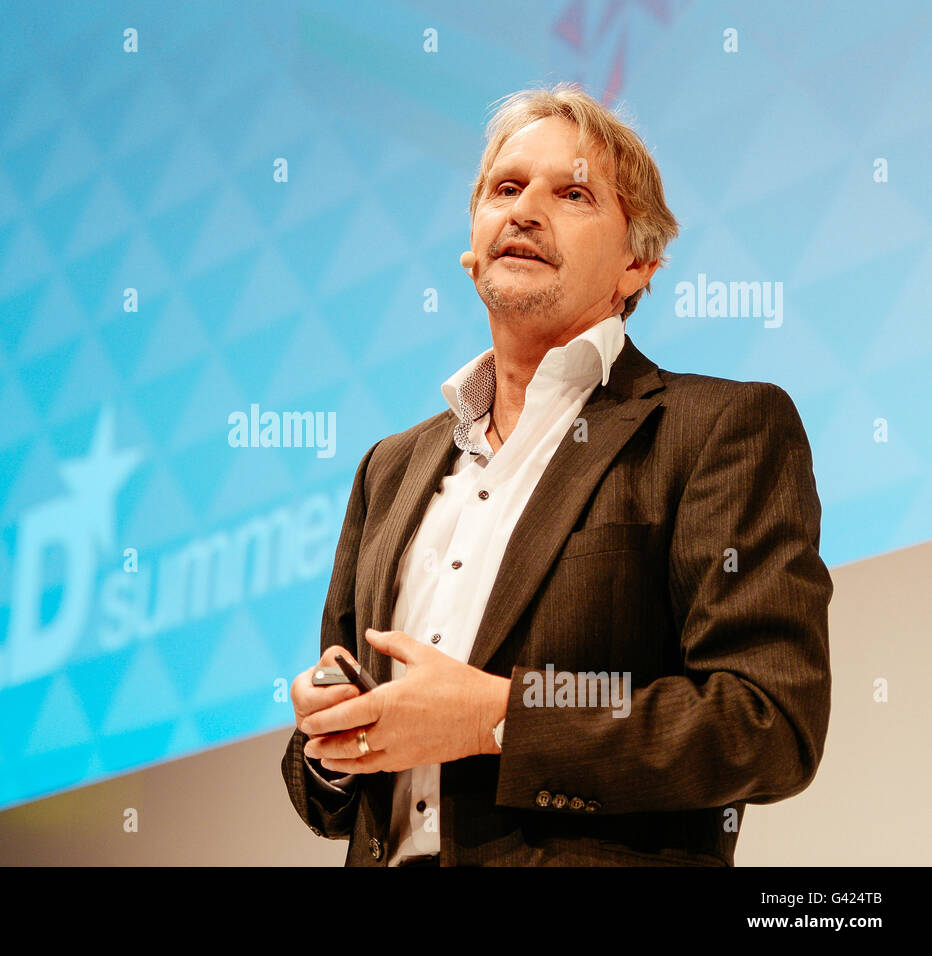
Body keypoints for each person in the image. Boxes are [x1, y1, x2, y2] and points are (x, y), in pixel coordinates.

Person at [280, 83, 832, 866]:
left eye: (572, 193)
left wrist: (499, 717)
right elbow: (330, 804)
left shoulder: (716, 430)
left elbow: (766, 721)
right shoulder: (390, 468)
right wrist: (329, 731)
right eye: (506, 189)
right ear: (472, 240)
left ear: (638, 264)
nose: (525, 211)